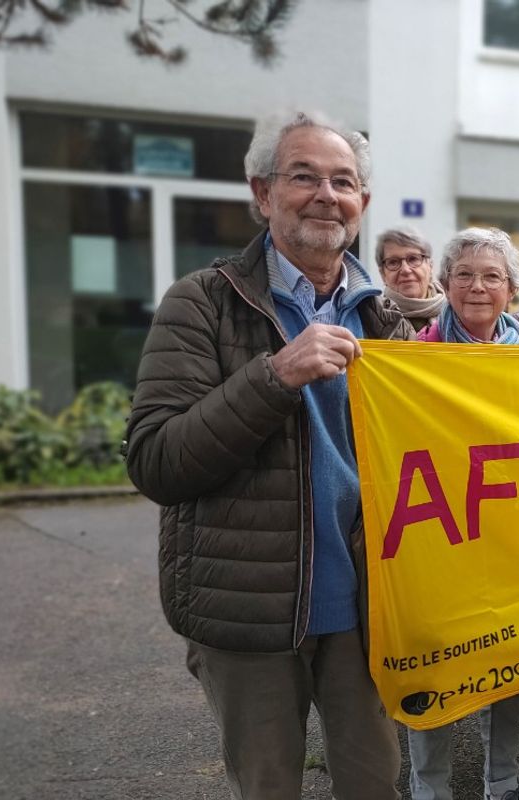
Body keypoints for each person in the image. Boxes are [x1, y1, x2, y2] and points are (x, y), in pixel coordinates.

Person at [124, 110, 410, 799]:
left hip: (367, 611)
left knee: (375, 784)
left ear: (362, 205)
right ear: (261, 193)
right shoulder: (202, 304)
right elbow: (158, 460)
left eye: (343, 181)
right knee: (268, 787)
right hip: (249, 612)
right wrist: (273, 375)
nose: (325, 194)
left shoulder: (387, 321)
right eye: (303, 176)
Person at [409, 227, 519, 800]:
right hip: (439, 534)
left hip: (511, 538)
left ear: (511, 289)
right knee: (432, 663)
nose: (477, 286)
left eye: (492, 276)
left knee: (506, 659)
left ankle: (501, 779)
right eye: (464, 274)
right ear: (445, 283)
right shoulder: (414, 357)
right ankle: (429, 787)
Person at [376, 225, 445, 332]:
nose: (405, 270)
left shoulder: (457, 315)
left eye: (413, 259)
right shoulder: (372, 319)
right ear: (382, 274)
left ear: (430, 266)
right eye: (393, 262)